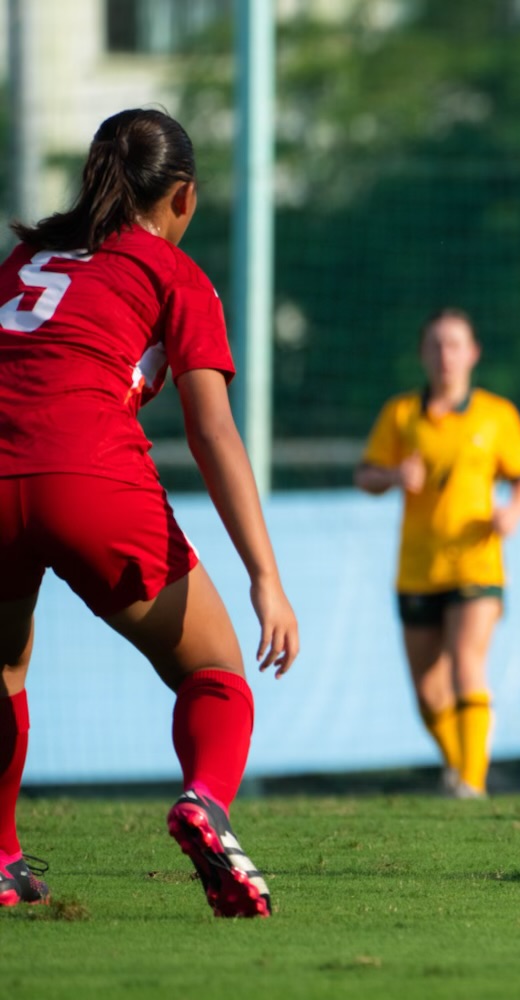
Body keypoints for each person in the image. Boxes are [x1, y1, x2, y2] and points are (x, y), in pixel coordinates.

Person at [0, 109, 299, 917]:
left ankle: (2, 861)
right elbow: (213, 431)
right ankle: (205, 804)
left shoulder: (26, 258)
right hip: (88, 478)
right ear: (184, 197)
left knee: (4, 668)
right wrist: (265, 576)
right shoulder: (173, 271)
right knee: (214, 673)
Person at [356, 309, 520, 799]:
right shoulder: (401, 414)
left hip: (476, 563)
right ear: (423, 353)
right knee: (426, 691)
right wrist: (395, 476)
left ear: (473, 353)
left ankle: (472, 786)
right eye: (436, 345)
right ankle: (460, 767)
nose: (445, 355)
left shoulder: (496, 415)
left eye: (455, 344)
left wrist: (512, 513)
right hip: (418, 568)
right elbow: (365, 475)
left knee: (465, 661)